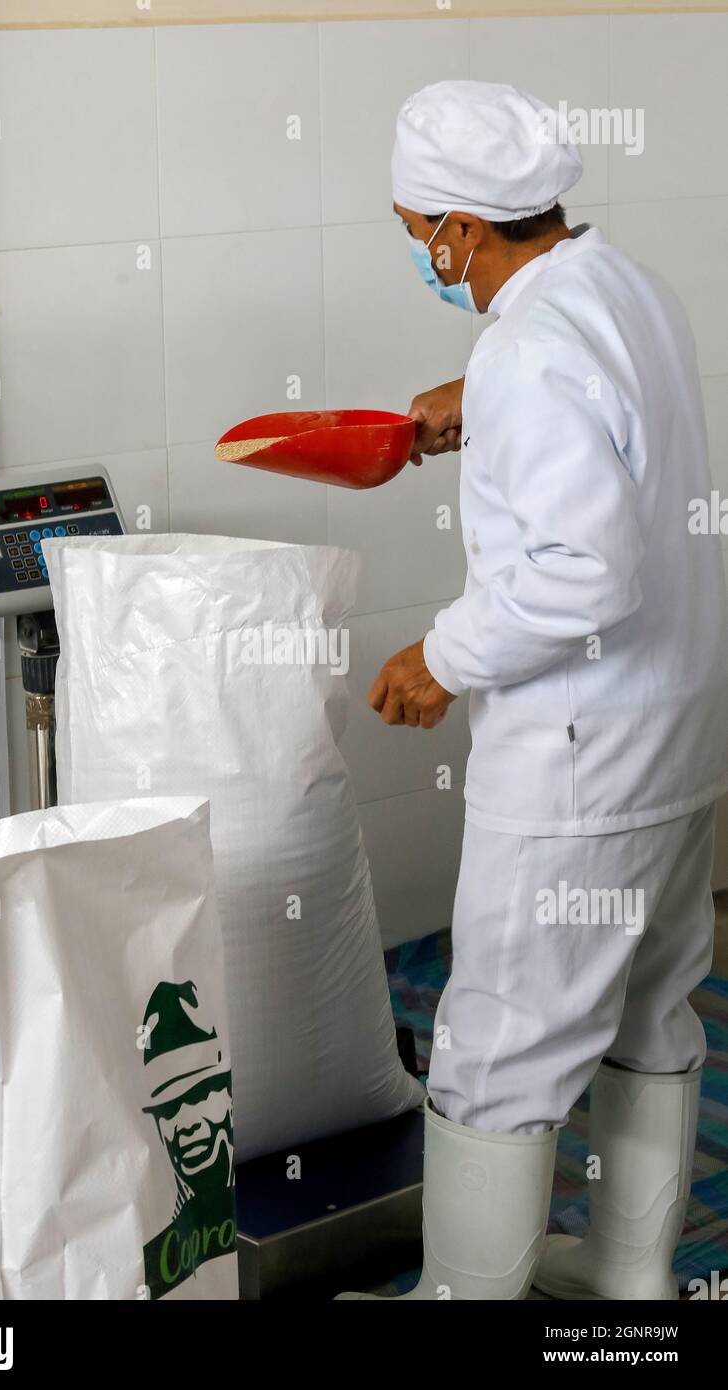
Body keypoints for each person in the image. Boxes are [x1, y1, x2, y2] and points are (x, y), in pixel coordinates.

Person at [338, 80, 728, 1301]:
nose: (421, 256)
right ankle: (626, 1290)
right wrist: (477, 403)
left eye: (419, 236)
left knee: (495, 1050)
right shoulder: (622, 287)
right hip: (674, 742)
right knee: (654, 1009)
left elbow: (582, 570)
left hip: (574, 769)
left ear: (464, 227)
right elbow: (617, 427)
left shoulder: (523, 348)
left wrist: (437, 659)